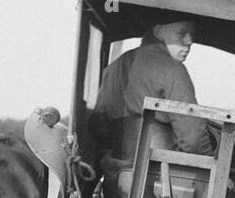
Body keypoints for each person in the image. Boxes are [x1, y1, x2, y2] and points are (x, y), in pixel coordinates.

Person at [92, 17, 218, 172]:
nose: (189, 40)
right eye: (182, 33)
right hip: (158, 176)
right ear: (158, 31)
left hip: (116, 173)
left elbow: (97, 127)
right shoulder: (173, 70)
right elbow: (193, 139)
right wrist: (212, 168)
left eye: (191, 34)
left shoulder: (113, 68)